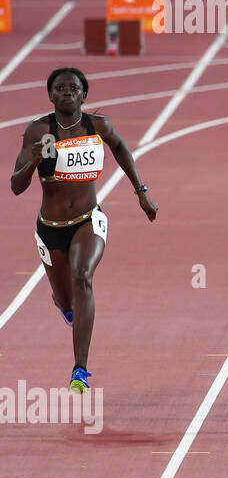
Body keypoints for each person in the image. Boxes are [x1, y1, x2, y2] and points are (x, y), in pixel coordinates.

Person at [9, 68, 158, 391]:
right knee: (66, 301)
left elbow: (120, 148)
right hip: (50, 229)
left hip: (89, 220)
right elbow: (16, 186)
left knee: (82, 277)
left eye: (73, 88)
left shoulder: (98, 125)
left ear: (83, 95)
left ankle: (80, 369)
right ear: (50, 96)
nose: (66, 92)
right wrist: (33, 161)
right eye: (59, 88)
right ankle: (65, 307)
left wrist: (141, 192)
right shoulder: (39, 131)